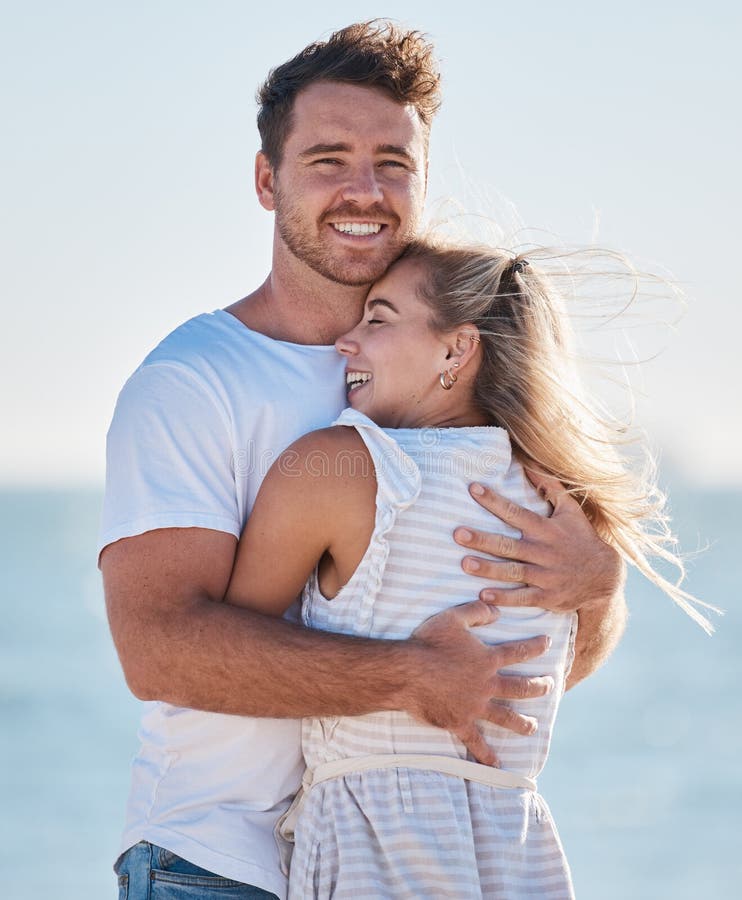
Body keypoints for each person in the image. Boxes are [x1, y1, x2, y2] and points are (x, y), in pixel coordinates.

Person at [99, 22, 626, 900]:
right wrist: (412, 678)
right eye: (328, 159)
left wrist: (597, 586)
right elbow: (159, 649)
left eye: (393, 161)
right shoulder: (193, 382)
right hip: (216, 863)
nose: (365, 188)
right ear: (268, 181)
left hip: (410, 864)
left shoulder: (460, 385)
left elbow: (529, 667)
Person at [223, 241, 707, 898]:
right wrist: (603, 584)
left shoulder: (340, 469)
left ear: (456, 350)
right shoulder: (557, 505)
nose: (347, 341)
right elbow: (557, 678)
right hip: (518, 851)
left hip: (383, 847)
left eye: (379, 319)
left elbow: (227, 660)